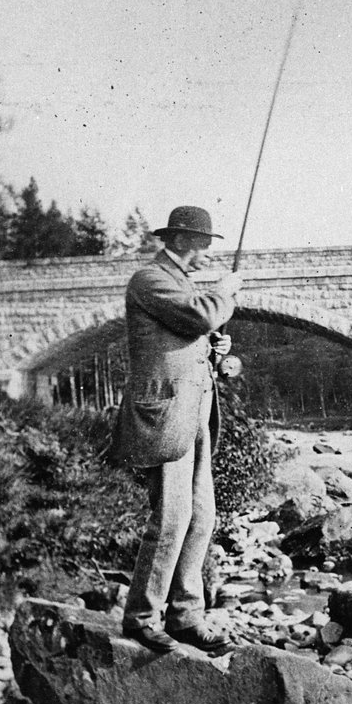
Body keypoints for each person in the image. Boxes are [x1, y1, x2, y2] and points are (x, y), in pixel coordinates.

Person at [108, 205, 243, 654]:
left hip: (196, 412)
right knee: (170, 517)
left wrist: (217, 350)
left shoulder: (180, 284)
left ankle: (186, 616)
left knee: (202, 515)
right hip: (167, 415)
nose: (208, 252)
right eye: (204, 243)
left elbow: (193, 332)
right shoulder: (151, 279)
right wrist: (224, 294)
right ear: (181, 241)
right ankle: (142, 618)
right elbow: (198, 317)